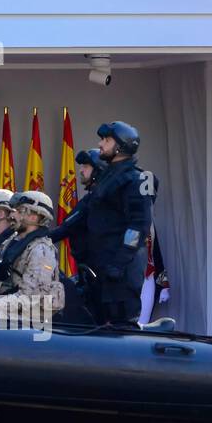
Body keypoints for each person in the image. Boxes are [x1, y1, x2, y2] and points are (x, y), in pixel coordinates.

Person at [74, 121, 154, 325]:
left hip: (121, 274)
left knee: (122, 332)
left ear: (121, 146)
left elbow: (139, 225)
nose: (100, 144)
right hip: (101, 271)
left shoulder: (140, 178)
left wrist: (119, 263)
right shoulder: (105, 179)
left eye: (106, 140)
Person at [0, 191, 65, 319]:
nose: (12, 214)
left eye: (18, 211)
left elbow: (31, 297)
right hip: (6, 315)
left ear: (34, 217)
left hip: (24, 323)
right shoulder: (11, 244)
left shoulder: (41, 251)